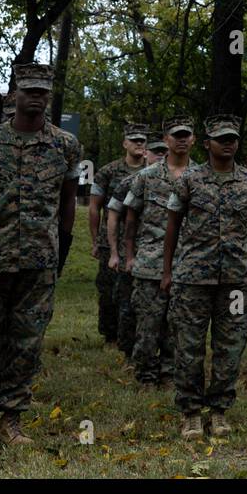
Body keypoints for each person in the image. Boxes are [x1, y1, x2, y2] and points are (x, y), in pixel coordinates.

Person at [0, 62, 82, 453]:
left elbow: (68, 203)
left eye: (44, 91)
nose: (37, 97)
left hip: (37, 262)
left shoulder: (64, 146)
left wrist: (59, 253)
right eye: (30, 90)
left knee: (27, 343)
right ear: (15, 95)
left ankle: (12, 419)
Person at [163, 115, 247, 439]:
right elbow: (173, 226)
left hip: (235, 282)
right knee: (189, 346)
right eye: (222, 139)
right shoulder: (189, 180)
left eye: (233, 138)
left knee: (229, 346)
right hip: (193, 280)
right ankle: (190, 412)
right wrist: (167, 271)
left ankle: (218, 410)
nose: (228, 144)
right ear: (207, 144)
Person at [123, 116, 198, 386]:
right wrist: (129, 256)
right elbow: (130, 219)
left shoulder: (200, 177)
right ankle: (145, 375)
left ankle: (169, 374)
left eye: (185, 135)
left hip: (188, 264)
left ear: (193, 139)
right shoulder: (146, 177)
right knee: (148, 326)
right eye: (175, 135)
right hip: (150, 262)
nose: (181, 139)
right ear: (166, 140)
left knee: (179, 326)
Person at [108, 131, 166, 361]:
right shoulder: (131, 182)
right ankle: (128, 349)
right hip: (135, 253)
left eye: (164, 151)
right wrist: (115, 252)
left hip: (164, 255)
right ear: (146, 153)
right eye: (156, 151)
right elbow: (113, 216)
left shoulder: (181, 178)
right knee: (130, 305)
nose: (161, 155)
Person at [89, 123, 148, 346]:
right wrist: (96, 241)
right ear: (125, 143)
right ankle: (110, 334)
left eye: (142, 140)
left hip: (142, 241)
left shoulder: (152, 171)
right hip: (110, 240)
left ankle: (133, 334)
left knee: (134, 292)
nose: (139, 143)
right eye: (134, 140)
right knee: (108, 290)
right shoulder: (109, 171)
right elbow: (95, 207)